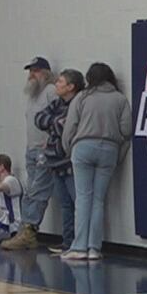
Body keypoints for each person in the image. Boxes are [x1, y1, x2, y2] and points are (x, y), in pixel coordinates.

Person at [61, 62, 133, 262]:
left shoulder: (82, 98)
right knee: (99, 200)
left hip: (83, 148)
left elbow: (69, 129)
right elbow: (127, 130)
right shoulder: (120, 99)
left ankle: (79, 247)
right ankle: (94, 248)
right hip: (109, 149)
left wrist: (69, 149)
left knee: (83, 198)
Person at [3, 57, 62, 252]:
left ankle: (29, 231)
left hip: (45, 150)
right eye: (30, 71)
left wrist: (52, 139)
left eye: (35, 71)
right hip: (32, 149)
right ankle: (26, 229)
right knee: (31, 189)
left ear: (45, 73)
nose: (31, 75)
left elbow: (61, 116)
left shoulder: (51, 92)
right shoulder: (33, 95)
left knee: (38, 189)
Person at [38, 69, 83, 255]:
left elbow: (65, 125)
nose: (56, 84)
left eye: (61, 82)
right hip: (55, 162)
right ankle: (67, 241)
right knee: (65, 205)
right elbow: (39, 119)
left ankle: (80, 243)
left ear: (71, 87)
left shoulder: (78, 104)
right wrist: (55, 123)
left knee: (78, 203)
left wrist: (55, 124)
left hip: (70, 162)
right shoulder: (57, 103)